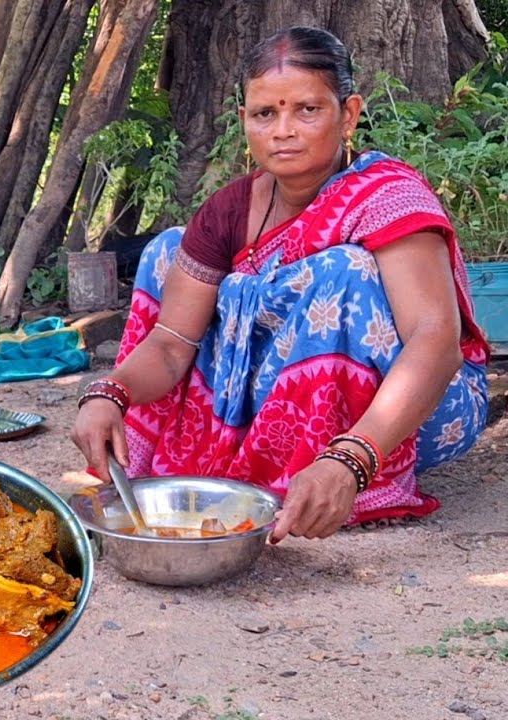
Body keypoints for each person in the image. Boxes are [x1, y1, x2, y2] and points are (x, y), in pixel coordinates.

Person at [70, 27, 490, 543]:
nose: (283, 130)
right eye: (264, 114)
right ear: (245, 120)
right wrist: (110, 392)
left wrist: (350, 458)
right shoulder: (230, 210)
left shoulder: (387, 196)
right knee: (166, 250)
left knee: (344, 273)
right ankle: (275, 461)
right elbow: (172, 344)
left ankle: (339, 470)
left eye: (307, 110)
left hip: (415, 411)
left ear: (350, 114)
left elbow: (435, 341)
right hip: (285, 402)